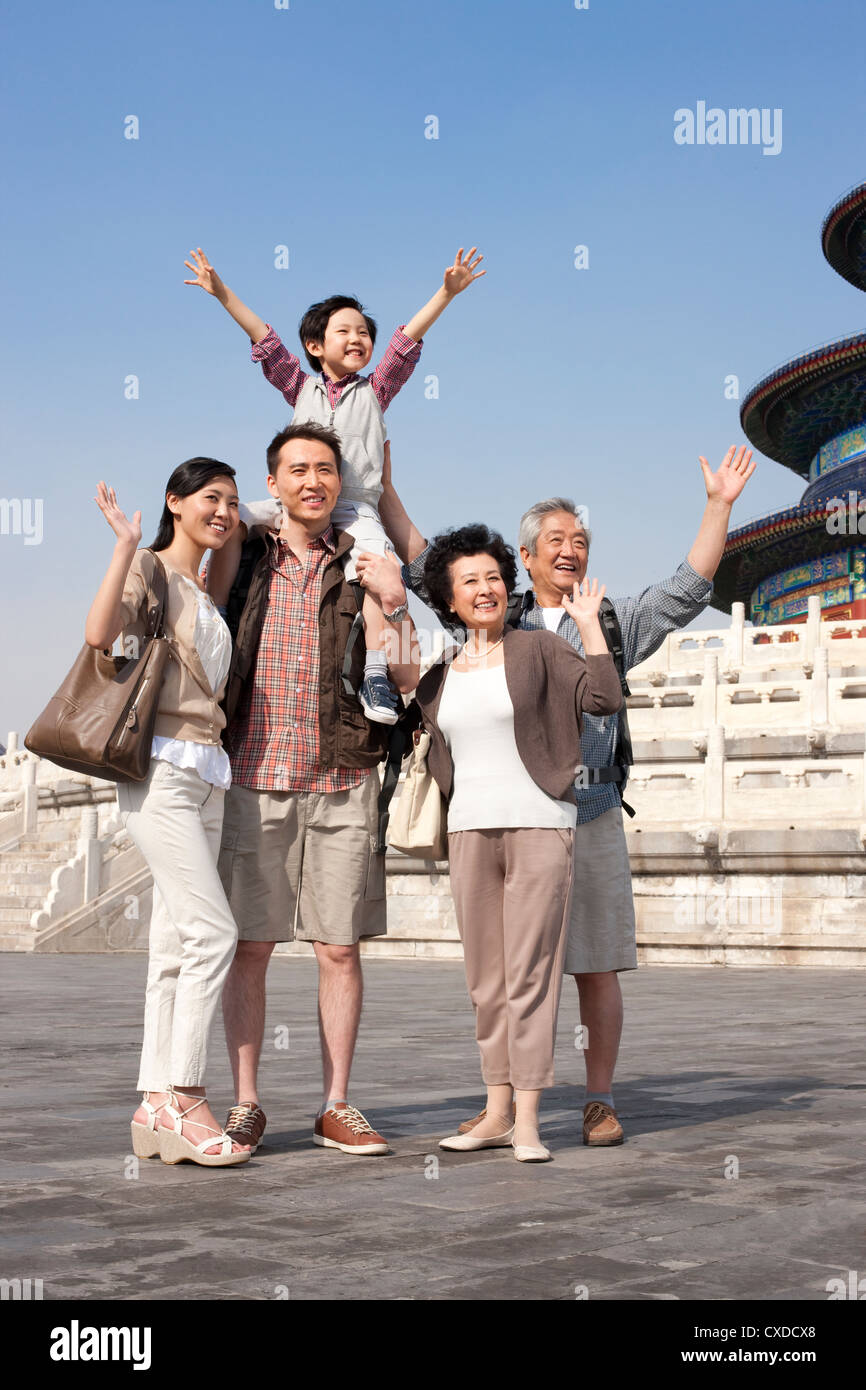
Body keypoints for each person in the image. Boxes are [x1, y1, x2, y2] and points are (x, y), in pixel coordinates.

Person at [376, 445, 756, 1146]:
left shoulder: (609, 620)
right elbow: (427, 564)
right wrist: (387, 491)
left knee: (596, 961)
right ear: (526, 554)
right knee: (503, 969)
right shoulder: (496, 616)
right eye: (556, 540)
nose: (571, 550)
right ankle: (506, 1108)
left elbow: (687, 588)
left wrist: (718, 506)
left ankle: (599, 1098)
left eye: (581, 540)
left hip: (594, 811)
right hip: (505, 816)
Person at [215, 422, 420, 1157]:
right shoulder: (243, 557)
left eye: (325, 469)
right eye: (297, 469)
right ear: (272, 482)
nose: (313, 481)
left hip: (343, 775)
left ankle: (337, 1102)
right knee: (251, 946)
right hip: (253, 775)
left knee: (340, 949)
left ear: (341, 482)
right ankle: (244, 1103)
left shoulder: (367, 563)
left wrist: (393, 603)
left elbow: (405, 677)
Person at [184, 244, 484, 723]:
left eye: (363, 332)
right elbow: (264, 338)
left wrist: (444, 294)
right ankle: (214, 613)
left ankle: (378, 675)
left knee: (377, 570)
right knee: (232, 519)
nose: (357, 338)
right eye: (343, 331)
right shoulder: (299, 387)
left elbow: (405, 343)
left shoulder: (376, 390)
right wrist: (221, 293)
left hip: (354, 505)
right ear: (315, 346)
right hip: (294, 503)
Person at [398, 524, 621, 1161]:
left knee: (530, 977)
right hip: (469, 831)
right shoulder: (441, 673)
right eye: (470, 581)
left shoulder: (540, 648)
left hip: (539, 827)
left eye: (494, 576)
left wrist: (591, 624)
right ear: (449, 597)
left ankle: (527, 1121)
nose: (485, 588)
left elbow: (604, 698)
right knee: (485, 982)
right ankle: (494, 1112)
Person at [85, 462, 249, 1167]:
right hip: (161, 776)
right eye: (211, 497)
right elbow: (100, 638)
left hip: (209, 775)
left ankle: (152, 1106)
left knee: (175, 949)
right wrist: (124, 546)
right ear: (174, 503)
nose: (225, 510)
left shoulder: (208, 592)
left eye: (234, 502)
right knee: (216, 934)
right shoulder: (149, 568)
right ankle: (185, 1095)